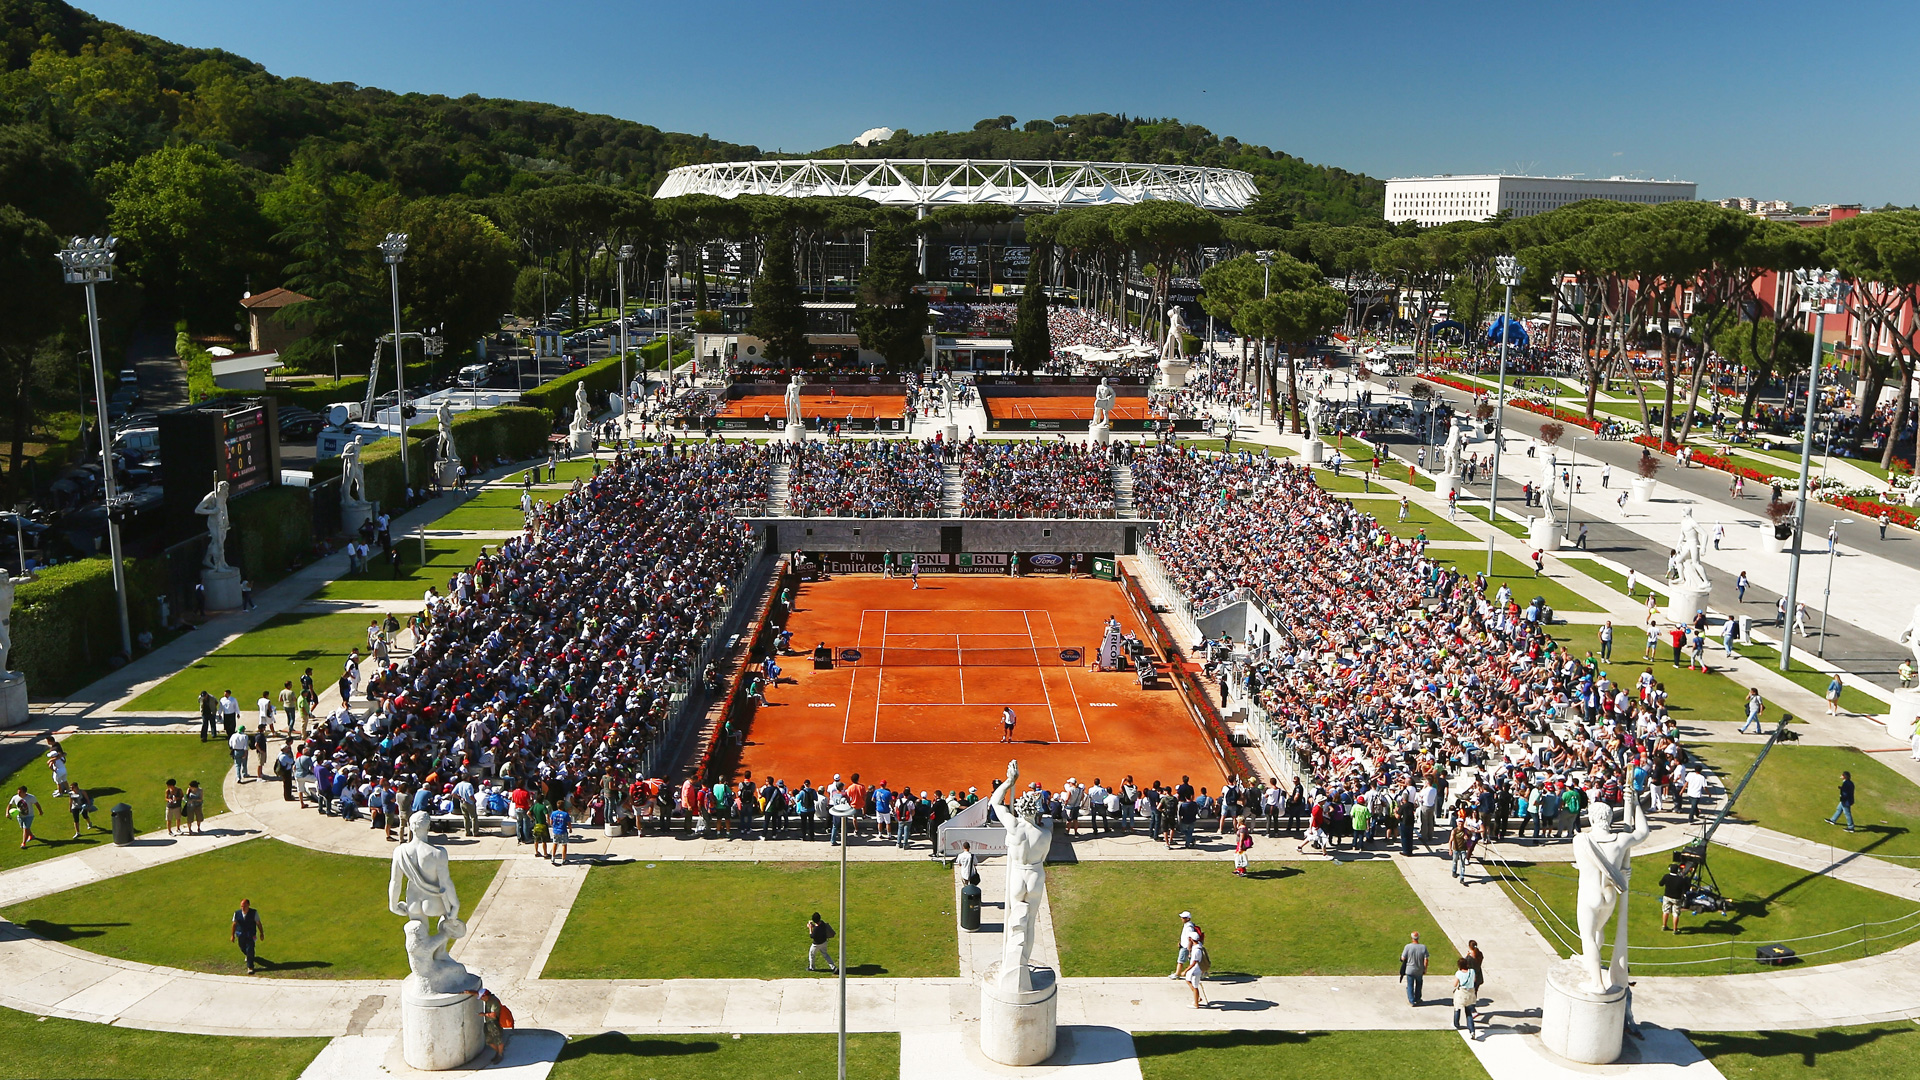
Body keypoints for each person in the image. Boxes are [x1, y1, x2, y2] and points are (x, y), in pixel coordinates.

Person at [231, 898, 264, 974]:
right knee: (242, 947)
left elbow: (258, 923)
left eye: (245, 906)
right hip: (241, 934)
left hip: (250, 935)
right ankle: (248, 956)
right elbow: (234, 924)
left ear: (248, 905)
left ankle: (250, 966)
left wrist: (261, 933)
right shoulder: (237, 913)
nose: (243, 908)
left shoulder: (254, 913)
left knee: (250, 949)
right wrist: (232, 935)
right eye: (242, 906)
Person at [1452, 955, 1481, 1038]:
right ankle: (1472, 1031)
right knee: (1468, 1013)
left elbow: (1455, 984)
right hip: (1470, 994)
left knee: (1457, 1008)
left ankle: (1456, 1024)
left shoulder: (1458, 973)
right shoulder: (1472, 971)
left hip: (1462, 993)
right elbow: (1474, 980)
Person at [1183, 922, 1211, 1008]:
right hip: (1195, 969)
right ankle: (1197, 998)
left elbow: (1194, 963)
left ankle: (1196, 1003)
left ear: (1191, 939)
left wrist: (1185, 970)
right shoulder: (1198, 945)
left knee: (1195, 986)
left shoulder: (1196, 950)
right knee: (1188, 980)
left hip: (1195, 970)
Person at [1399, 931, 1429, 1006]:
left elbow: (1403, 958)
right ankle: (1418, 999)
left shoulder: (1408, 947)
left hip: (1410, 970)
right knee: (1419, 985)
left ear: (1412, 938)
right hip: (1419, 970)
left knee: (1410, 985)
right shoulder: (1423, 947)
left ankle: (1411, 1001)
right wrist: (1425, 969)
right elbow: (1426, 959)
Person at [1659, 859, 1690, 932]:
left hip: (1667, 897)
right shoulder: (1681, 879)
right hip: (1676, 898)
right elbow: (1685, 889)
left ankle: (1664, 926)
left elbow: (1660, 884)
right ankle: (1675, 929)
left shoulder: (1666, 876)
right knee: (1675, 913)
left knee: (1665, 911)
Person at [1170, 911, 1201, 979]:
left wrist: (1188, 948)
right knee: (1191, 960)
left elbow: (1190, 938)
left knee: (1180, 960)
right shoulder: (1188, 925)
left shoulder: (1189, 927)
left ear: (1188, 919)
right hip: (1185, 946)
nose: (1181, 918)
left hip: (1186, 947)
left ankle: (1177, 974)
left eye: (1183, 917)